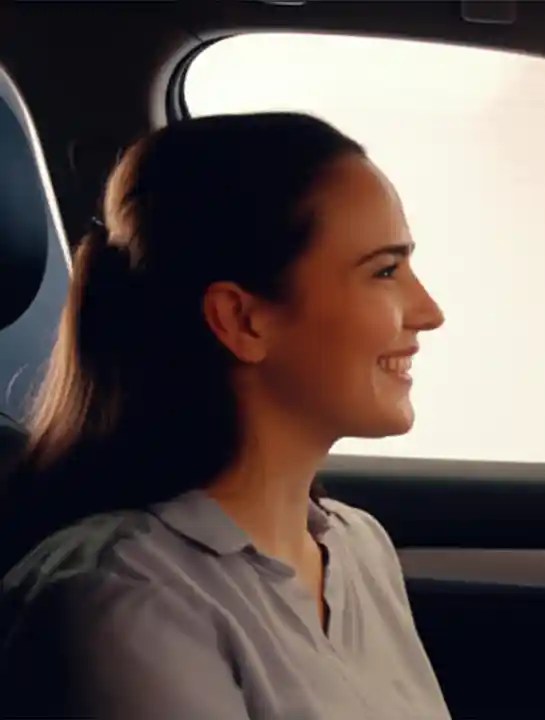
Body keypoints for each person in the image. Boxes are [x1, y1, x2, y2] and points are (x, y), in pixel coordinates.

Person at [0, 113, 452, 719]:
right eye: (385, 271)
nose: (428, 311)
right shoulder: (128, 601)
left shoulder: (356, 547)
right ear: (243, 320)